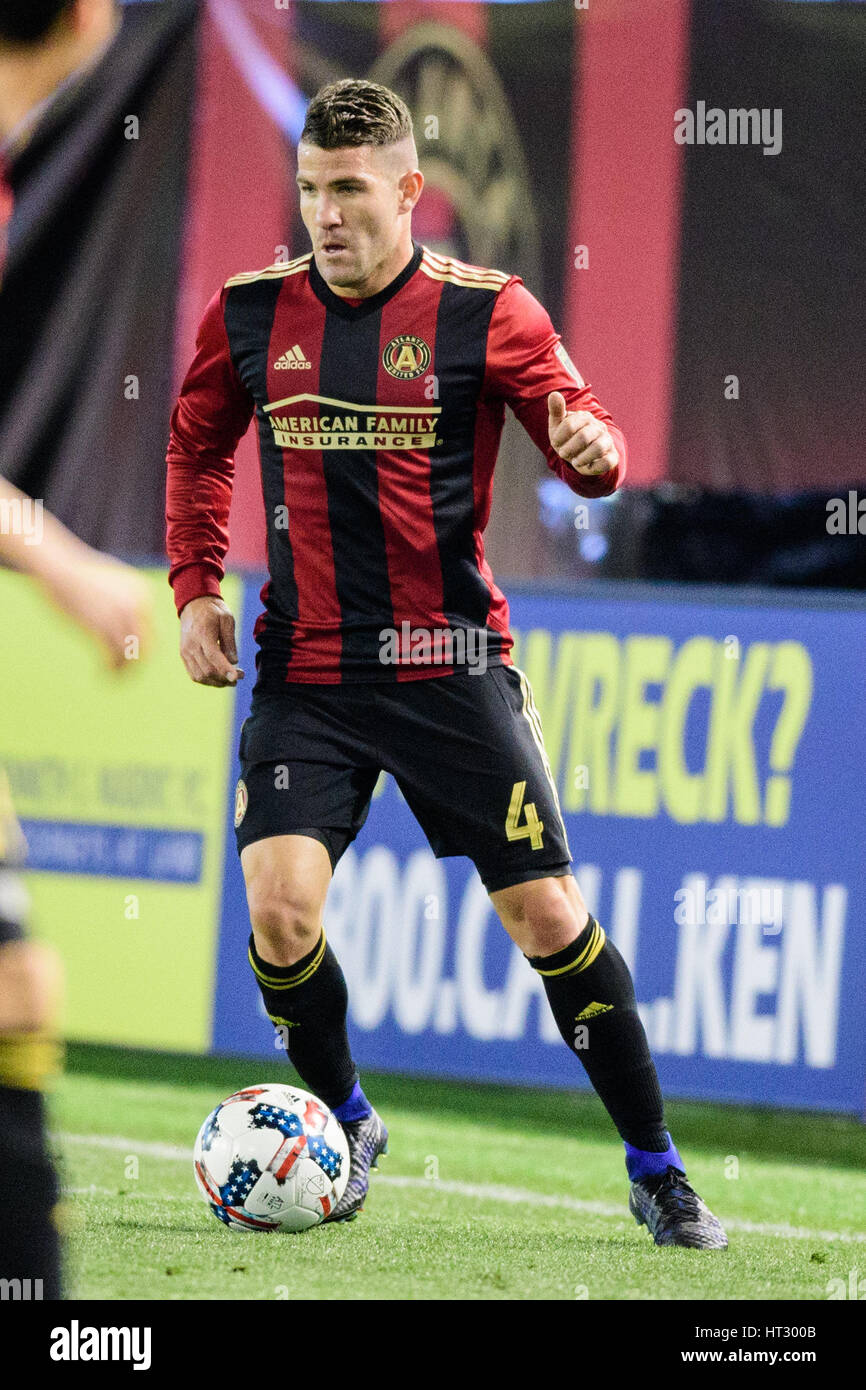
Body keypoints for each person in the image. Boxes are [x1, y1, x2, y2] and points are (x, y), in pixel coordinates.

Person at [166, 78, 727, 1247]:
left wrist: (590, 453)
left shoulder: (490, 312)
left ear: (411, 192)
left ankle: (656, 1167)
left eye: (351, 191)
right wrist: (194, 590)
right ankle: (347, 1120)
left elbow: (589, 442)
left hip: (448, 664)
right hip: (306, 666)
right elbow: (196, 444)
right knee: (278, 914)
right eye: (311, 189)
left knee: (543, 915)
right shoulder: (253, 313)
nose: (325, 214)